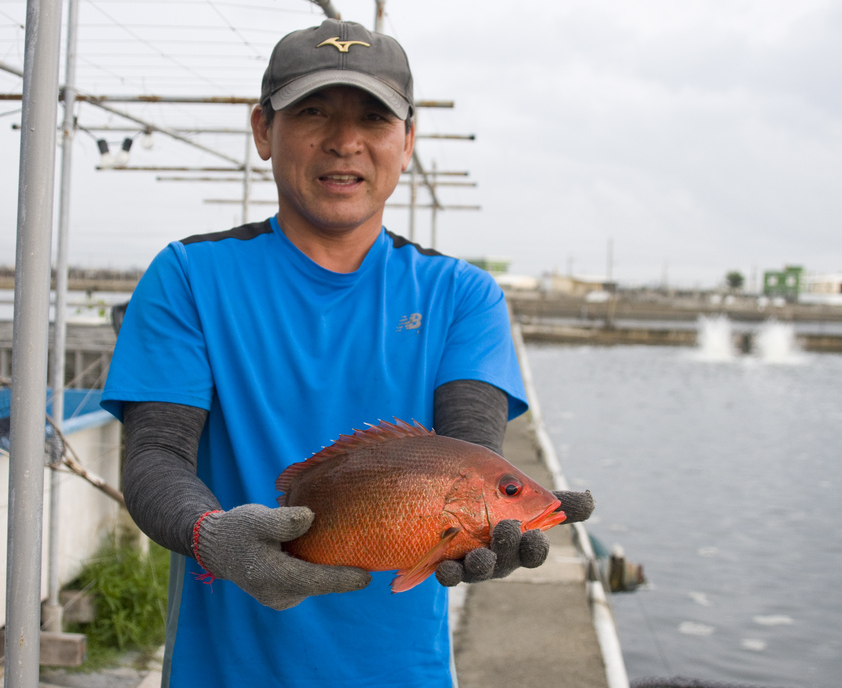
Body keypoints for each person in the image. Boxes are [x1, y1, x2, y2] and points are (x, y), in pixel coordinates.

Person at [101, 18, 592, 688]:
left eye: (373, 116)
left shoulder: (463, 295)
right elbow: (155, 457)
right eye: (312, 112)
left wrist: (488, 528)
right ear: (263, 131)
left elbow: (470, 452)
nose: (345, 141)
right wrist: (215, 537)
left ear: (409, 139)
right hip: (223, 672)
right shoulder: (187, 275)